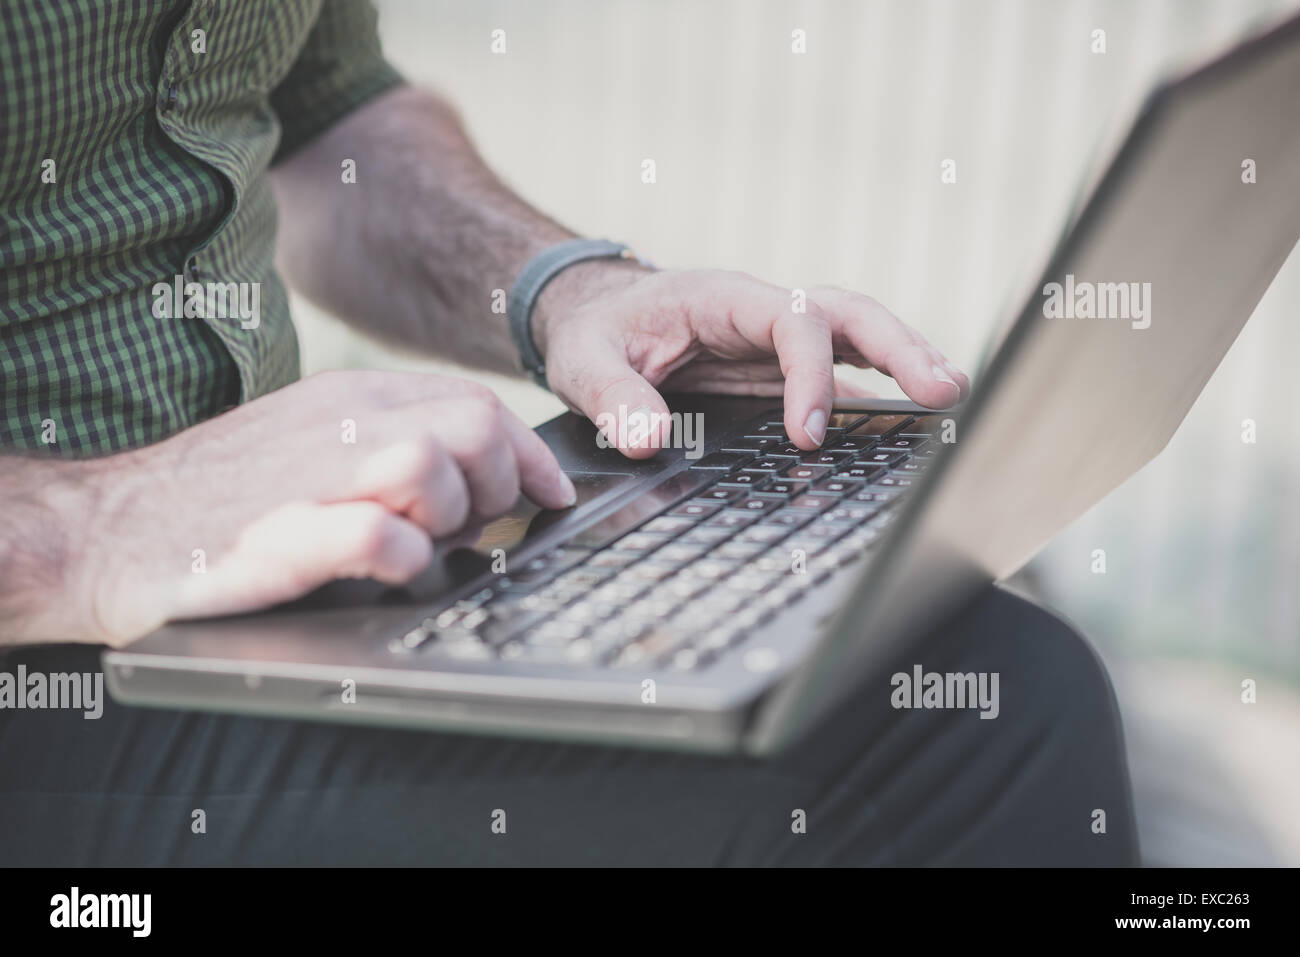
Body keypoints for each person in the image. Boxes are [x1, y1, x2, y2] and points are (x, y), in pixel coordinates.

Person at [0, 1, 1137, 865]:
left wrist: (568, 294)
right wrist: (98, 527)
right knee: (983, 717)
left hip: (258, 594)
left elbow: (322, 126)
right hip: (42, 660)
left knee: (899, 563)